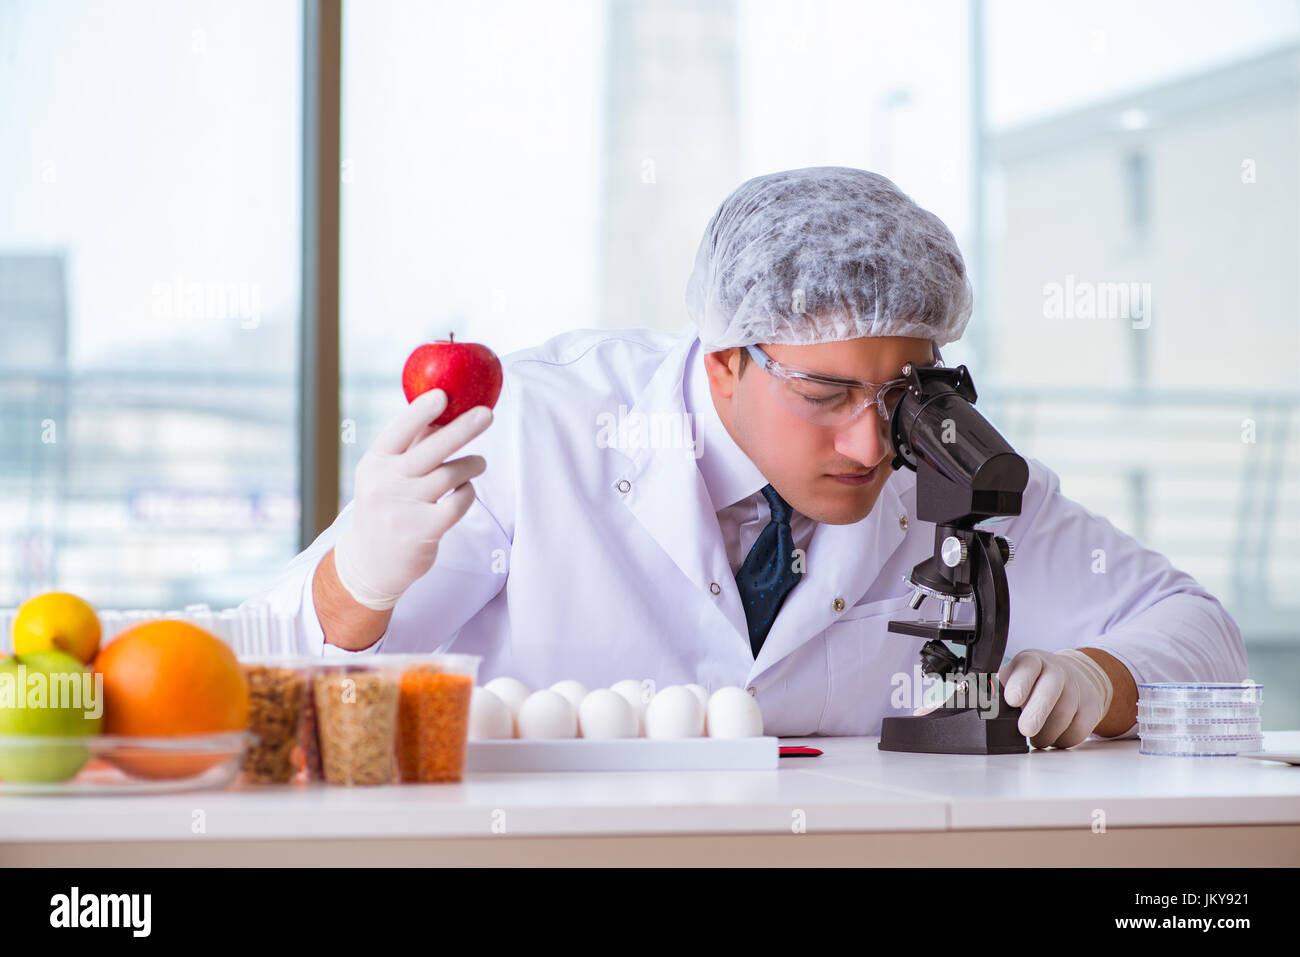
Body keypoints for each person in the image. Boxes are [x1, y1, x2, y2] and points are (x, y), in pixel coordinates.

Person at [245, 166, 1247, 748]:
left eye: (900, 390)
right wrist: (356, 580)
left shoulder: (950, 462)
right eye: (826, 393)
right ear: (725, 358)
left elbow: (1201, 633)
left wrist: (1101, 673)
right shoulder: (542, 429)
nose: (870, 442)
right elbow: (277, 685)